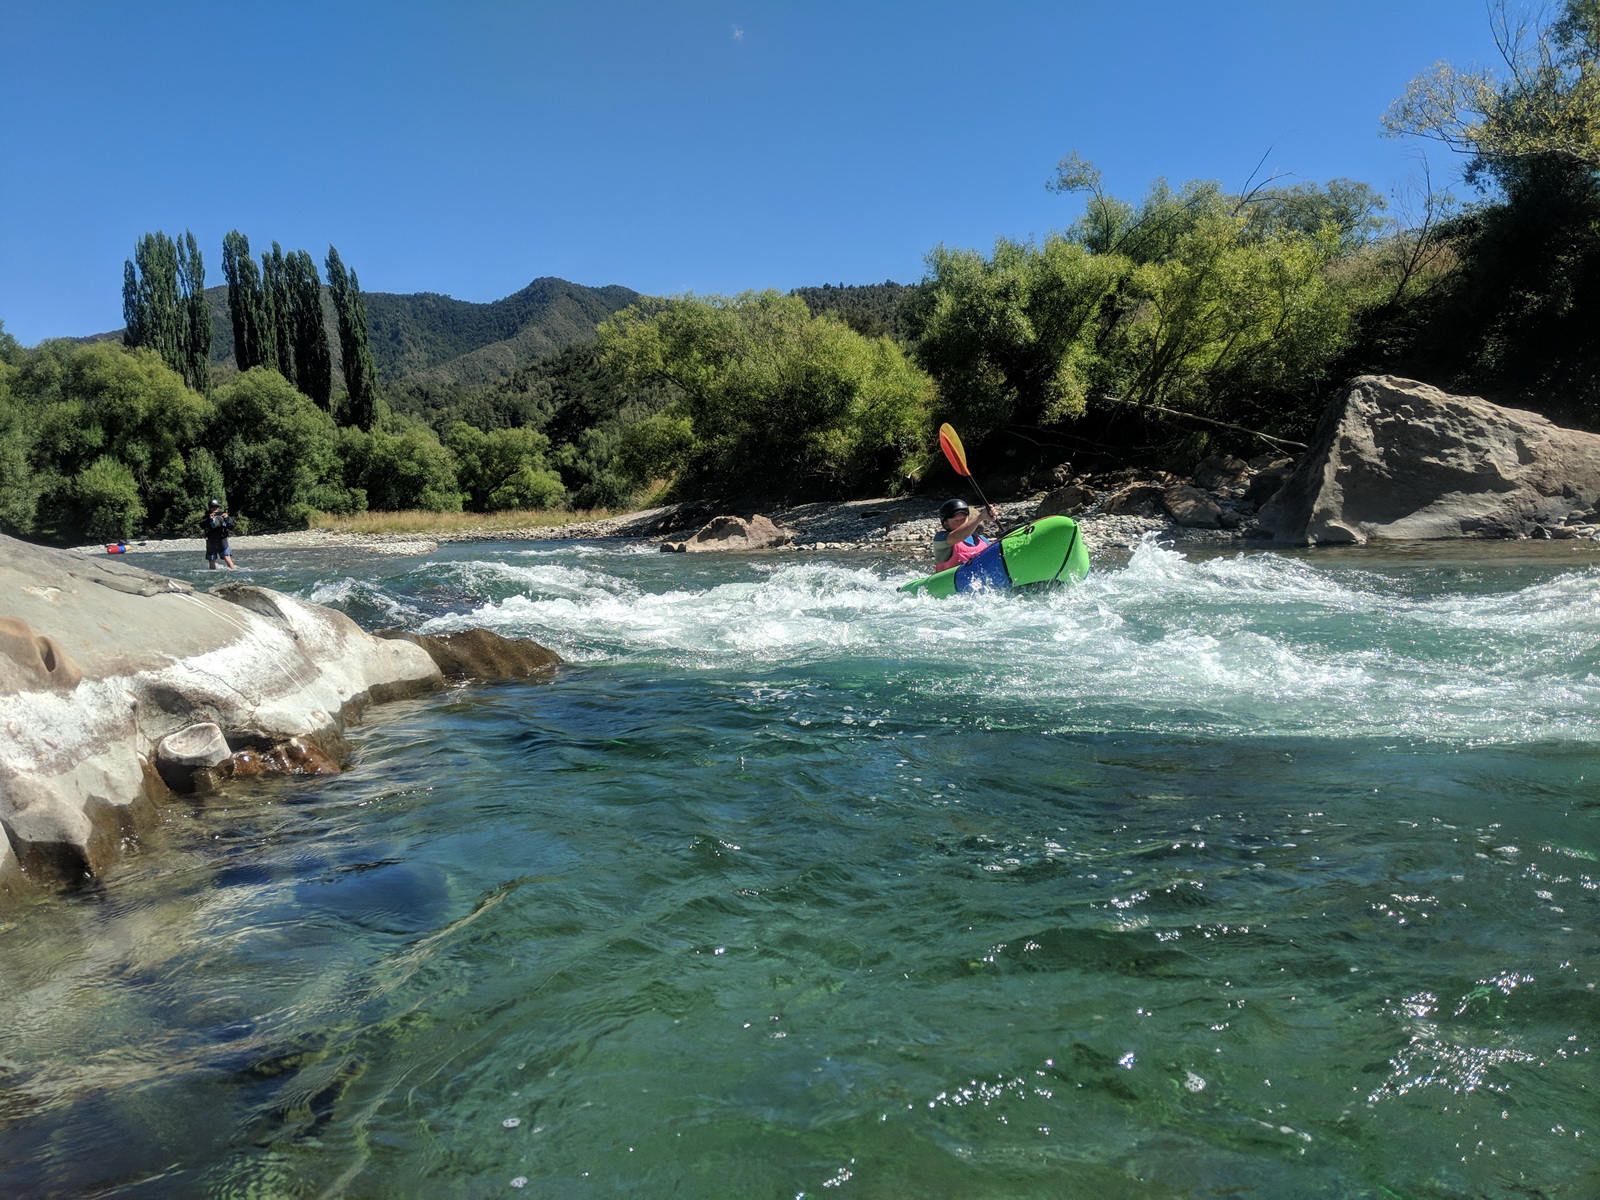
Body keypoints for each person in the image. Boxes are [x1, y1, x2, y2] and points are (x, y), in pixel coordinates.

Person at [931, 497, 997, 571]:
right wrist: (981, 517)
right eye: (956, 521)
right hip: (947, 580)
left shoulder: (983, 541)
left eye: (963, 519)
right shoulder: (940, 539)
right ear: (946, 524)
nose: (961, 523)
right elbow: (957, 536)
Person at [200, 499, 236, 569]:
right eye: (213, 507)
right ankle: (212, 574)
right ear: (210, 508)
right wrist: (209, 519)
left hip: (222, 539)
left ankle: (233, 570)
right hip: (211, 540)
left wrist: (227, 518)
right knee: (211, 559)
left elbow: (232, 526)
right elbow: (202, 525)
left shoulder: (223, 515)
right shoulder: (206, 517)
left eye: (217, 507)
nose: (215, 509)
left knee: (227, 557)